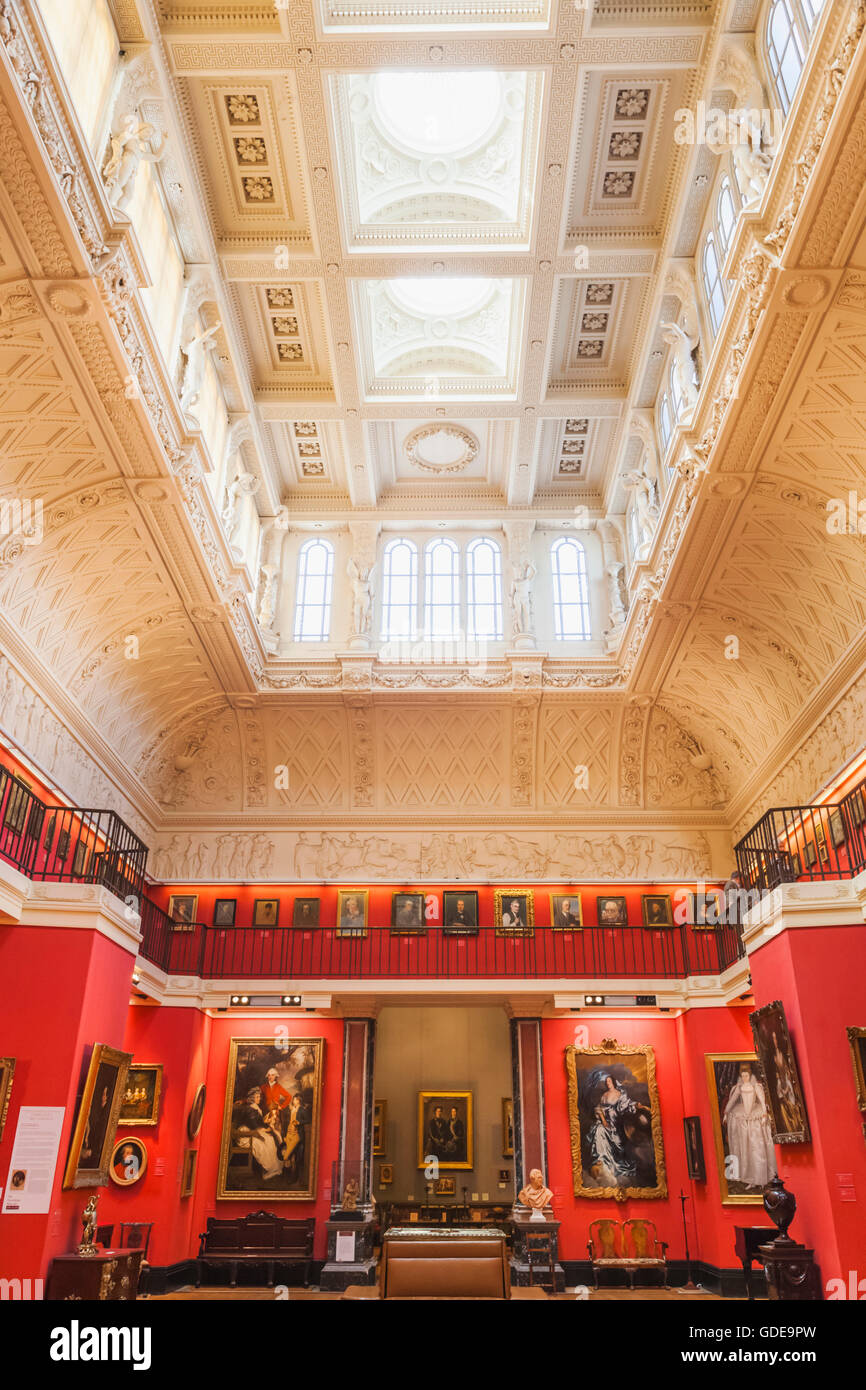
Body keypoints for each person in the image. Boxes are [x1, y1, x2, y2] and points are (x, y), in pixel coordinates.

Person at [586, 1074, 651, 1187]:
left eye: (609, 1081)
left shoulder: (619, 1094)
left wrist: (638, 1105)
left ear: (614, 1082)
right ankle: (600, 1161)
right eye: (606, 1081)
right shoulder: (604, 1095)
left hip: (615, 1124)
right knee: (599, 1130)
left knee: (617, 1142)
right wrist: (604, 1121)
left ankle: (613, 1168)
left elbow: (627, 1105)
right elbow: (599, 1108)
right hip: (604, 1122)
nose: (608, 1083)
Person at [722, 1062, 776, 1188]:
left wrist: (763, 1115)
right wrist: (726, 1113)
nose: (745, 1077)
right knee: (746, 1147)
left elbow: (762, 1101)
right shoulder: (739, 1088)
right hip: (743, 1118)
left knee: (757, 1148)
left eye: (747, 1075)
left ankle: (761, 1177)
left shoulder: (756, 1086)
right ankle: (750, 1176)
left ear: (750, 1075)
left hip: (754, 1118)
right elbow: (732, 1101)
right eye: (743, 1075)